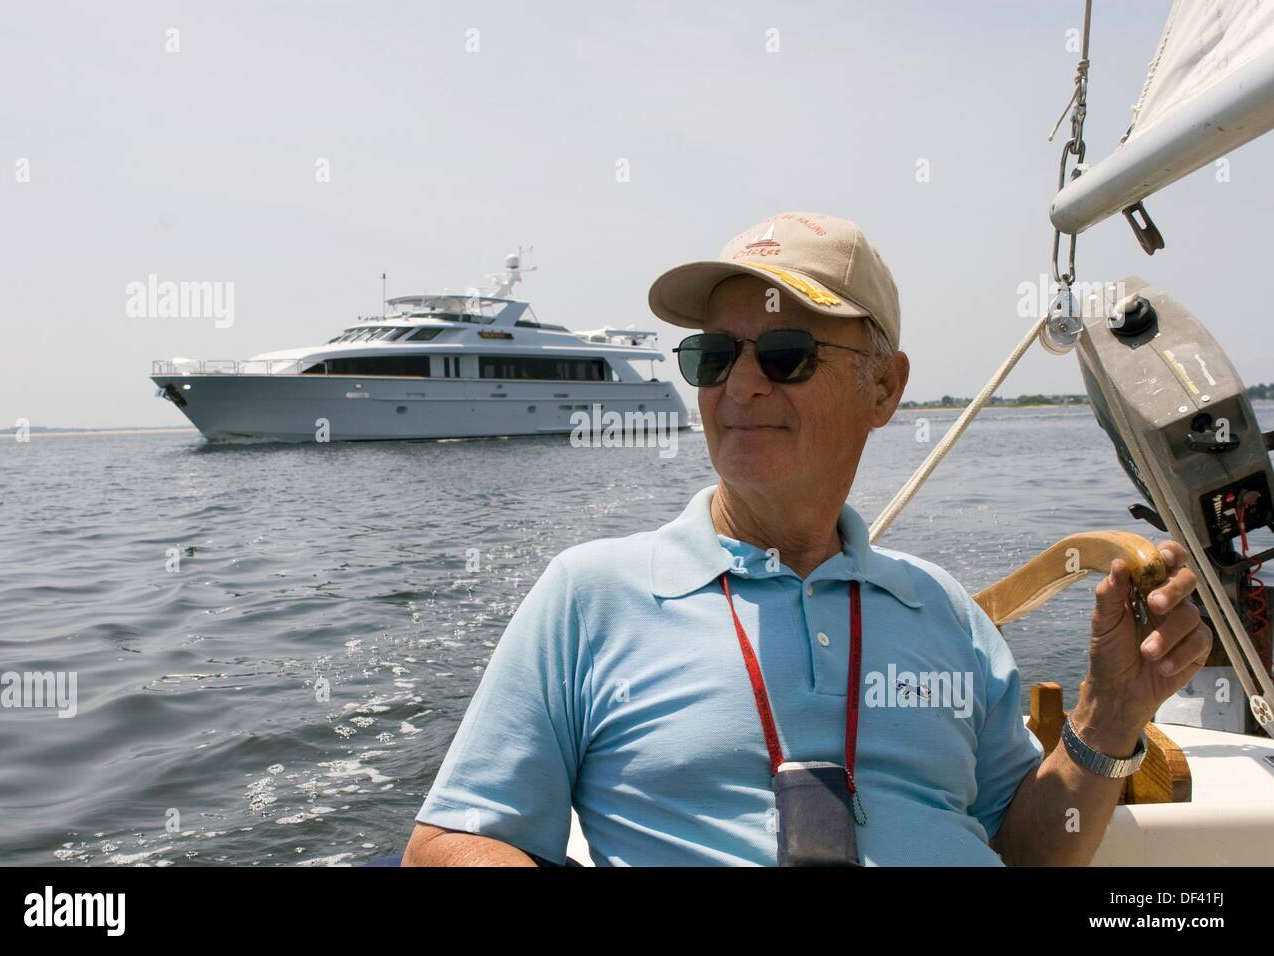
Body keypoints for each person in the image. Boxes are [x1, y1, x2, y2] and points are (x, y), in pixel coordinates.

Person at [402, 211, 1211, 866]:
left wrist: (1109, 715)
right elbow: (452, 842)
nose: (741, 384)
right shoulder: (590, 596)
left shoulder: (944, 612)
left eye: (786, 354)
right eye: (714, 356)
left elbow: (1026, 849)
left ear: (885, 387)